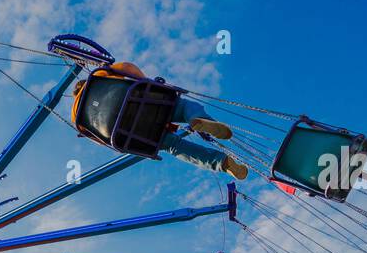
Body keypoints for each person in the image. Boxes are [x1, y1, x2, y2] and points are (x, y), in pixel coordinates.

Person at [71, 61, 247, 180]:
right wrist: (146, 81)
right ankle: (198, 119)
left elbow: (101, 140)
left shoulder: (76, 117)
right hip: (144, 103)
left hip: (132, 133)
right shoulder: (98, 76)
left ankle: (222, 163)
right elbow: (126, 67)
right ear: (84, 83)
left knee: (173, 146)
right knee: (184, 107)